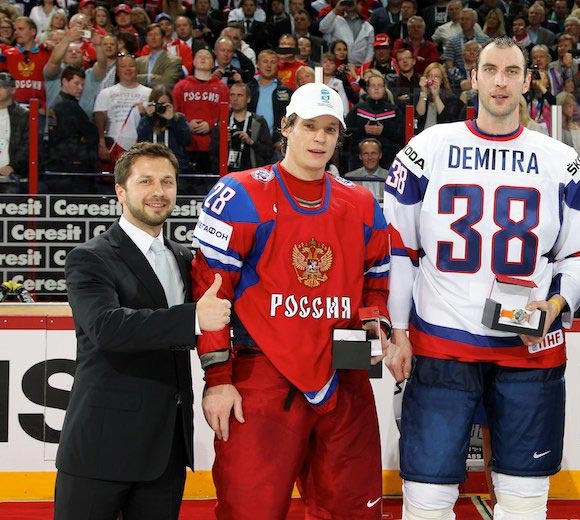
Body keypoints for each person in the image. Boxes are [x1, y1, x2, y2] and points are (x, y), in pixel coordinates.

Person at [383, 37, 580, 520]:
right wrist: (398, 330)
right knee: (425, 503)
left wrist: (556, 304)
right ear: (473, 77)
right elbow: (399, 249)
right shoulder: (426, 149)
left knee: (524, 503)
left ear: (527, 81)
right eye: (490, 70)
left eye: (511, 71)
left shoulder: (562, 161)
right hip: (442, 342)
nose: (500, 81)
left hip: (529, 347)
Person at [190, 82, 390, 519]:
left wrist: (376, 324)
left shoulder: (361, 203)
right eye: (310, 126)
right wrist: (217, 378)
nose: (320, 138)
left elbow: (376, 281)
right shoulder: (238, 194)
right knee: (251, 511)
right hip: (261, 374)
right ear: (286, 127)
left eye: (330, 130)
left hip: (343, 376)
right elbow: (211, 293)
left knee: (351, 511)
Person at [54, 142, 232, 520]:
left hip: (166, 450)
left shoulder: (184, 258)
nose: (159, 191)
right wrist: (193, 318)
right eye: (146, 181)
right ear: (121, 191)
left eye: (167, 182)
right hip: (102, 447)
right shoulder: (90, 257)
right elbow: (107, 327)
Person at [173, 47, 230, 175]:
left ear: (213, 64)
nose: (203, 58)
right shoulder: (181, 86)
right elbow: (174, 114)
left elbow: (226, 116)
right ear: (193, 62)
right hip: (185, 146)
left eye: (207, 57)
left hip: (212, 148)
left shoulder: (222, 88)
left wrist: (211, 125)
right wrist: (186, 125)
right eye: (199, 56)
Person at [93, 53, 151, 170]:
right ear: (117, 71)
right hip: (114, 145)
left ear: (137, 69)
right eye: (123, 66)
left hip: (142, 146)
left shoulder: (150, 93)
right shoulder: (106, 93)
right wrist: (101, 143)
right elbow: (98, 121)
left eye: (131, 66)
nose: (128, 69)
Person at [209, 81, 272, 172]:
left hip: (251, 172)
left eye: (240, 95)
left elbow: (268, 152)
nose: (235, 99)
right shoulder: (222, 122)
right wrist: (223, 142)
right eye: (232, 95)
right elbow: (212, 151)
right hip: (227, 173)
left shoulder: (258, 122)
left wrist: (251, 142)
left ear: (248, 99)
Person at [137, 84, 191, 172]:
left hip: (174, 167)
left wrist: (172, 120)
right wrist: (148, 117)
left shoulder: (179, 119)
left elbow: (186, 141)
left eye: (165, 105)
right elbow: (141, 141)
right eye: (158, 104)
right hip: (150, 166)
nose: (161, 108)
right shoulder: (146, 120)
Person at [0, 73, 29, 194]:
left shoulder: (23, 115)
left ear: (13, 90)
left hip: (12, 175)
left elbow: (28, 145)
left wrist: (12, 166)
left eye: (3, 86)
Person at [345, 137, 388, 202]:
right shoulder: (349, 179)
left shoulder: (390, 177)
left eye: (373, 153)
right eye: (366, 154)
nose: (370, 157)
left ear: (380, 155)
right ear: (360, 156)